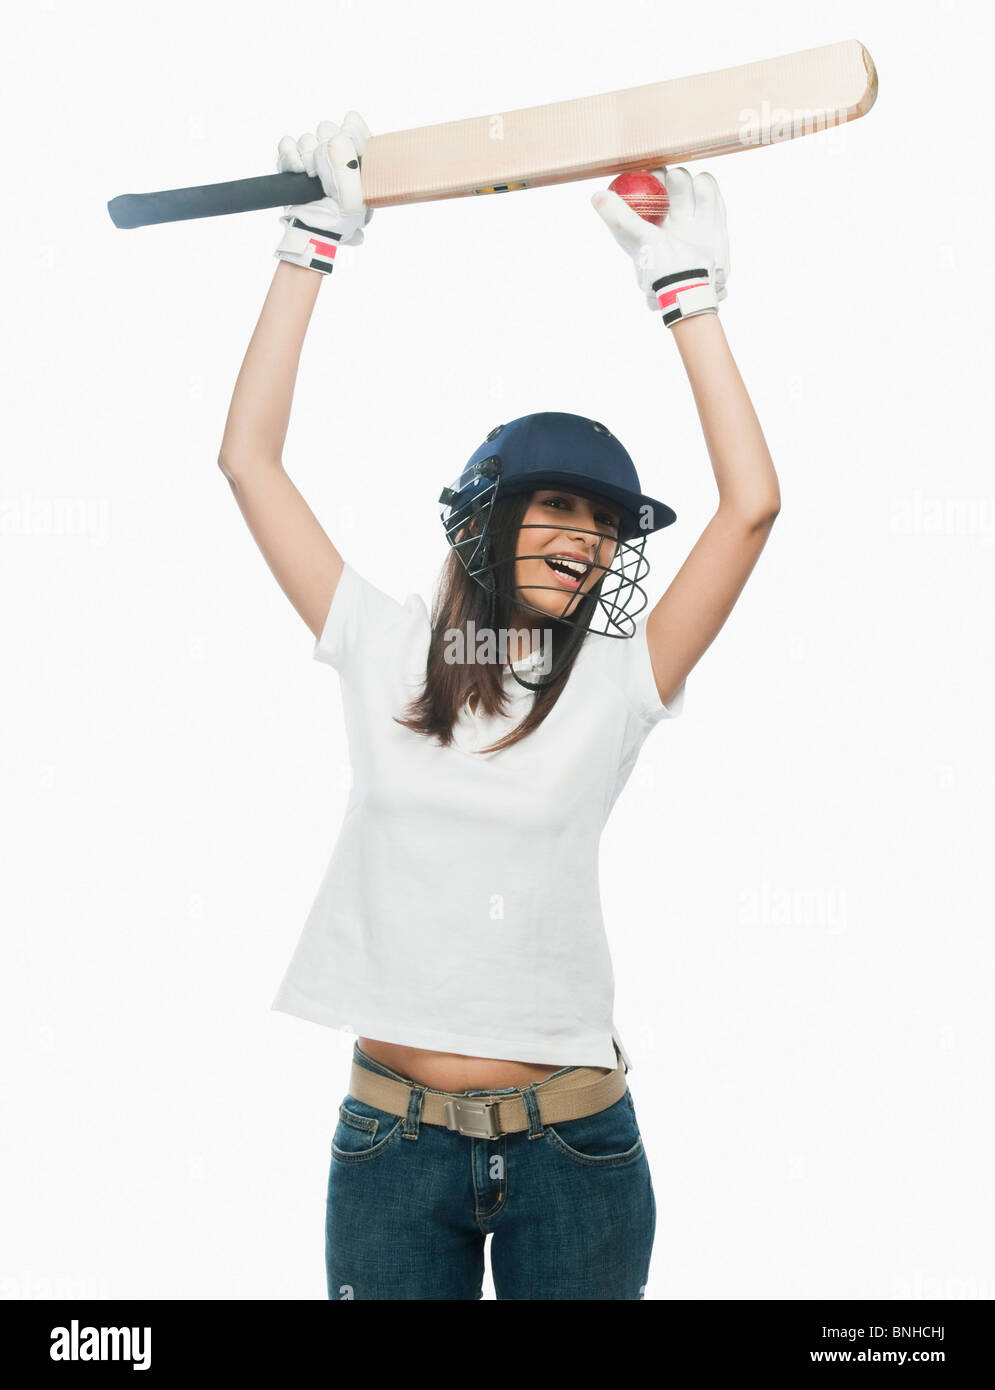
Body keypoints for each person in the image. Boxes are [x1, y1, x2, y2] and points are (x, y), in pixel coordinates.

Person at [217, 113, 781, 1300]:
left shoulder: (619, 681)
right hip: (391, 1146)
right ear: (486, 519)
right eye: (559, 508)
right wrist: (307, 249)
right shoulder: (379, 642)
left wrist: (686, 295)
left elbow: (748, 509)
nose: (587, 540)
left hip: (575, 1148)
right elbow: (249, 460)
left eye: (605, 524)